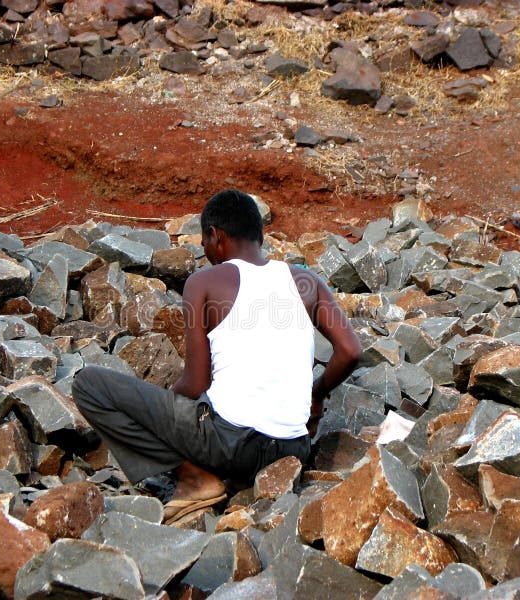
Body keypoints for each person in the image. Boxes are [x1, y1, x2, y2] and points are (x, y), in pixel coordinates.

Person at [72, 189, 361, 524]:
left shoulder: (203, 282)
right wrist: (315, 393)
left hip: (229, 445)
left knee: (89, 384)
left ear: (216, 235)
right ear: (259, 234)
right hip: (293, 450)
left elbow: (196, 383)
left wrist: (157, 416)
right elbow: (351, 351)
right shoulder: (307, 281)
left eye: (204, 243)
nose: (205, 252)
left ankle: (195, 479)